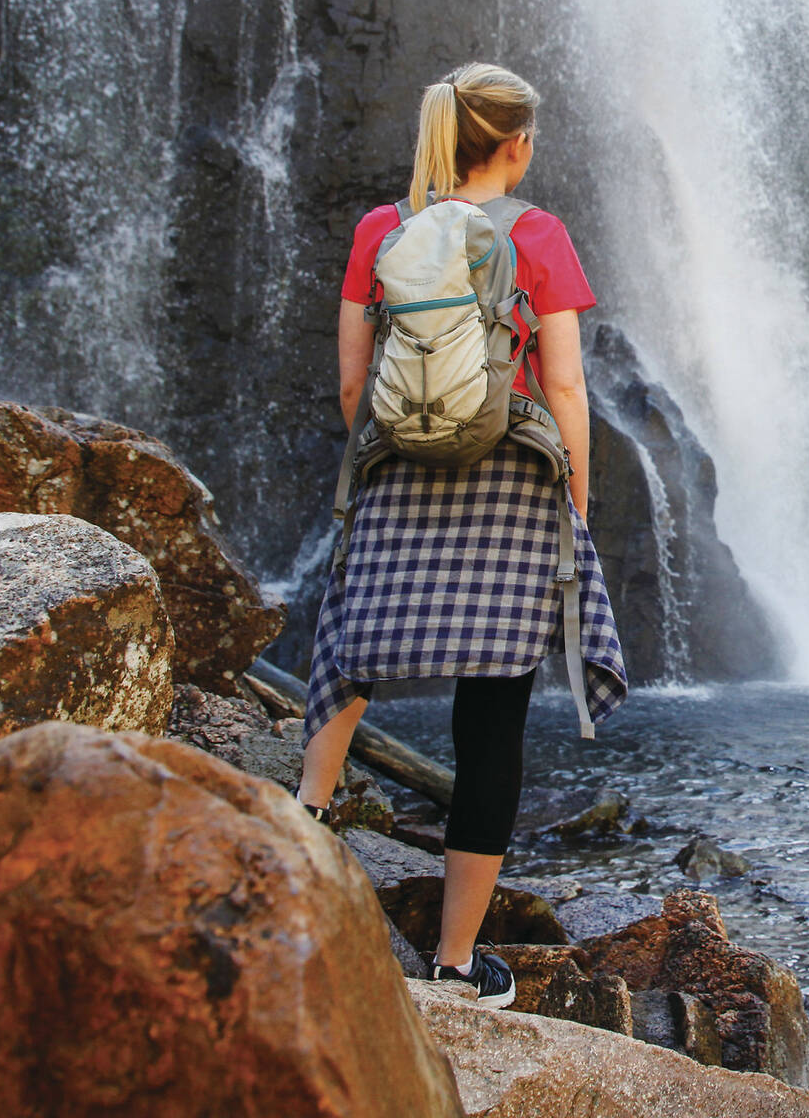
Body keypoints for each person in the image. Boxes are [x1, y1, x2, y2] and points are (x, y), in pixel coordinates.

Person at [297, 62, 626, 1007]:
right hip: (514, 479)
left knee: (352, 646)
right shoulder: (539, 234)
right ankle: (451, 966)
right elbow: (564, 385)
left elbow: (355, 384)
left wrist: (382, 462)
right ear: (517, 144)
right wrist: (576, 498)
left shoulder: (381, 230)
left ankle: (302, 820)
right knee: (492, 721)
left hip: (399, 468)